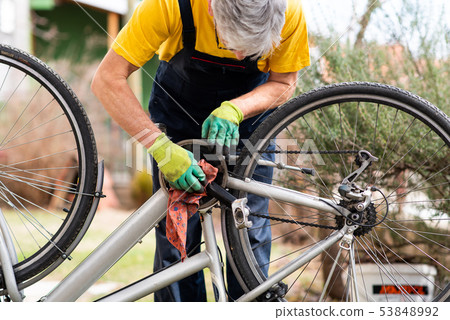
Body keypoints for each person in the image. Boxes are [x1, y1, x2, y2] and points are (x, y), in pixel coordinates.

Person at [91, 0, 310, 301]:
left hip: (250, 125)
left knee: (249, 232)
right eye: (233, 43)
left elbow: (284, 82)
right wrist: (160, 147)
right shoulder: (167, 5)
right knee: (178, 240)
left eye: (253, 49)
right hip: (178, 119)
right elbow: (106, 79)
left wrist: (238, 108)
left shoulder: (288, 12)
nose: (240, 56)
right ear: (210, 10)